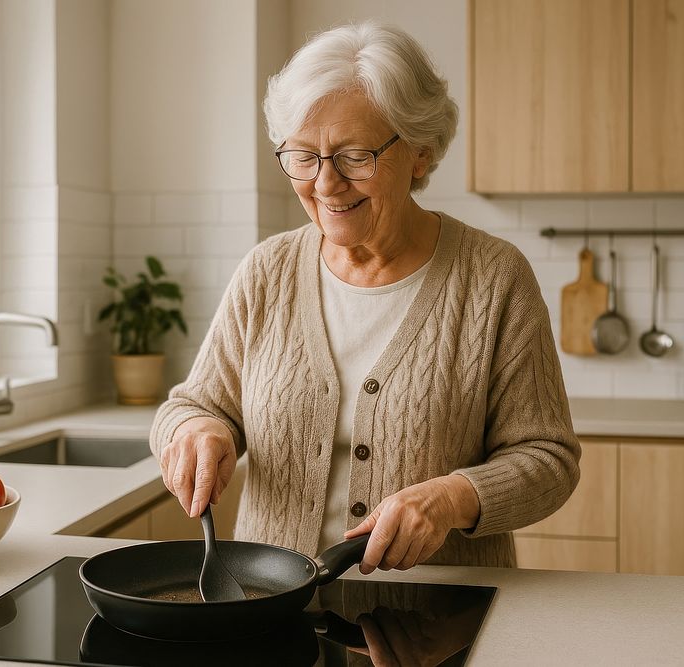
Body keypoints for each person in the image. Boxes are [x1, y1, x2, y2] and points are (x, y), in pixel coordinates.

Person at [150, 21, 580, 573]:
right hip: (273, 609)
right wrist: (195, 432)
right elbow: (192, 405)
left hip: (439, 617)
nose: (326, 185)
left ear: (420, 152)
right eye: (303, 156)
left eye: (355, 156)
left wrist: (453, 498)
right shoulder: (267, 271)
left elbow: (549, 460)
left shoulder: (495, 279)